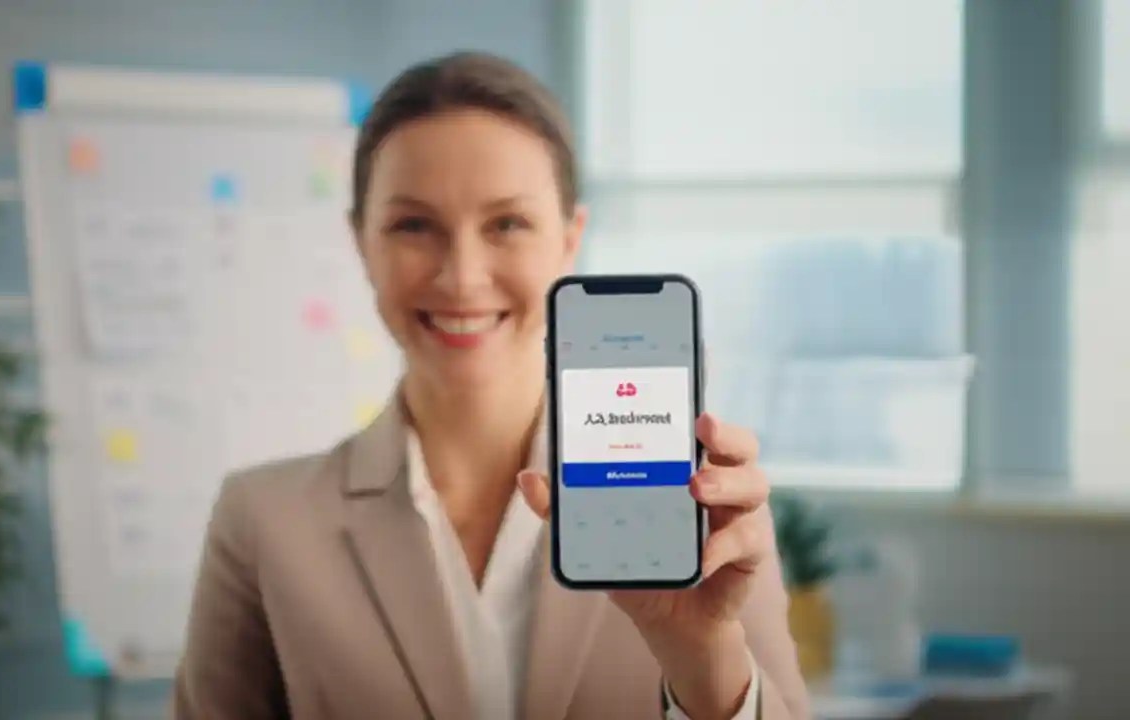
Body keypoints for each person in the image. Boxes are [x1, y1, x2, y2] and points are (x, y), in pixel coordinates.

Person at [174, 51, 809, 720]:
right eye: (413, 225)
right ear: (361, 241)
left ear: (570, 239)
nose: (462, 278)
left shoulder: (694, 506)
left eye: (507, 223)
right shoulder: (263, 521)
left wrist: (706, 657)